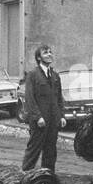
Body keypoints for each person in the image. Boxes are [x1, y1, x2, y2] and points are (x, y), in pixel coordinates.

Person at [22, 44, 66, 173]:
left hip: (53, 120)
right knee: (34, 149)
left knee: (50, 150)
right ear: (39, 58)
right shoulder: (33, 75)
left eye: (50, 52)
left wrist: (61, 116)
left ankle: (47, 177)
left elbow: (58, 98)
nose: (49, 54)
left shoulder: (55, 76)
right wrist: (38, 117)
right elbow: (30, 98)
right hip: (40, 121)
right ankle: (24, 176)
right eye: (45, 53)